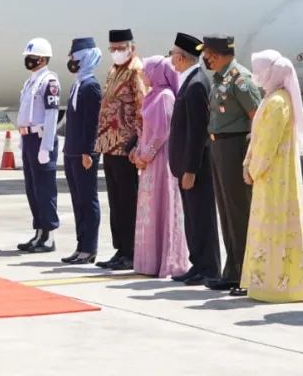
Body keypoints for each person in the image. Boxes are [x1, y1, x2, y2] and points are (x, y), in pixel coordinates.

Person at [241, 50, 303, 303]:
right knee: (267, 227)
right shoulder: (271, 98)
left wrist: (253, 168)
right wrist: (249, 163)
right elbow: (257, 138)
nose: (257, 76)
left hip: (275, 175)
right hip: (267, 175)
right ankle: (266, 282)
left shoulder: (279, 102)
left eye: (261, 71)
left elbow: (267, 144)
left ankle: (278, 284)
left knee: (276, 226)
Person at [202, 35, 262, 296]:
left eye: (208, 53)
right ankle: (232, 269)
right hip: (219, 147)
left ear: (217, 53)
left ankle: (245, 274)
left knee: (239, 211)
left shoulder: (240, 78)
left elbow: (256, 117)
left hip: (235, 147)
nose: (206, 58)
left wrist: (250, 155)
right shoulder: (220, 79)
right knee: (226, 211)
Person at [168, 33, 220, 286]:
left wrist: (190, 168)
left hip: (194, 168)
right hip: (186, 166)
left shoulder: (196, 84)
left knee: (201, 217)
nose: (171, 60)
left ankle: (208, 267)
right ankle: (198, 264)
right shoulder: (190, 81)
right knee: (192, 217)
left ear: (181, 57)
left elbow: (198, 132)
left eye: (172, 55)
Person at [132, 56, 189, 278]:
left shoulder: (165, 97)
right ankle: (150, 261)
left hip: (161, 161)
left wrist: (145, 155)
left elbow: (162, 131)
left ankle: (167, 261)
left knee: (161, 207)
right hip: (148, 162)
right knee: (150, 210)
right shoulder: (152, 95)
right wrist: (138, 152)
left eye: (146, 71)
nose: (143, 75)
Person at [94, 29, 146, 271]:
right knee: (115, 200)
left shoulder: (136, 71)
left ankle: (132, 250)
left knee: (128, 200)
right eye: (112, 49)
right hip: (109, 144)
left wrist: (138, 140)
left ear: (131, 47)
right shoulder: (114, 70)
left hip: (126, 145)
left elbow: (142, 107)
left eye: (120, 48)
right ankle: (120, 248)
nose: (116, 53)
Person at [16, 38, 62, 253]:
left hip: (41, 139)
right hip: (28, 139)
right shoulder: (30, 81)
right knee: (32, 189)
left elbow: (52, 115)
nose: (28, 61)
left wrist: (46, 147)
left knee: (45, 189)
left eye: (31, 58)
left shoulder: (49, 81)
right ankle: (38, 232)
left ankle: (49, 235)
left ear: (42, 59)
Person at [61, 37, 103, 264]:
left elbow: (93, 123)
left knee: (88, 200)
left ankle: (89, 248)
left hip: (84, 153)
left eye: (74, 56)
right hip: (71, 151)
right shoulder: (77, 84)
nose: (70, 60)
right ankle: (80, 246)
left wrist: (90, 151)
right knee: (78, 201)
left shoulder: (91, 86)